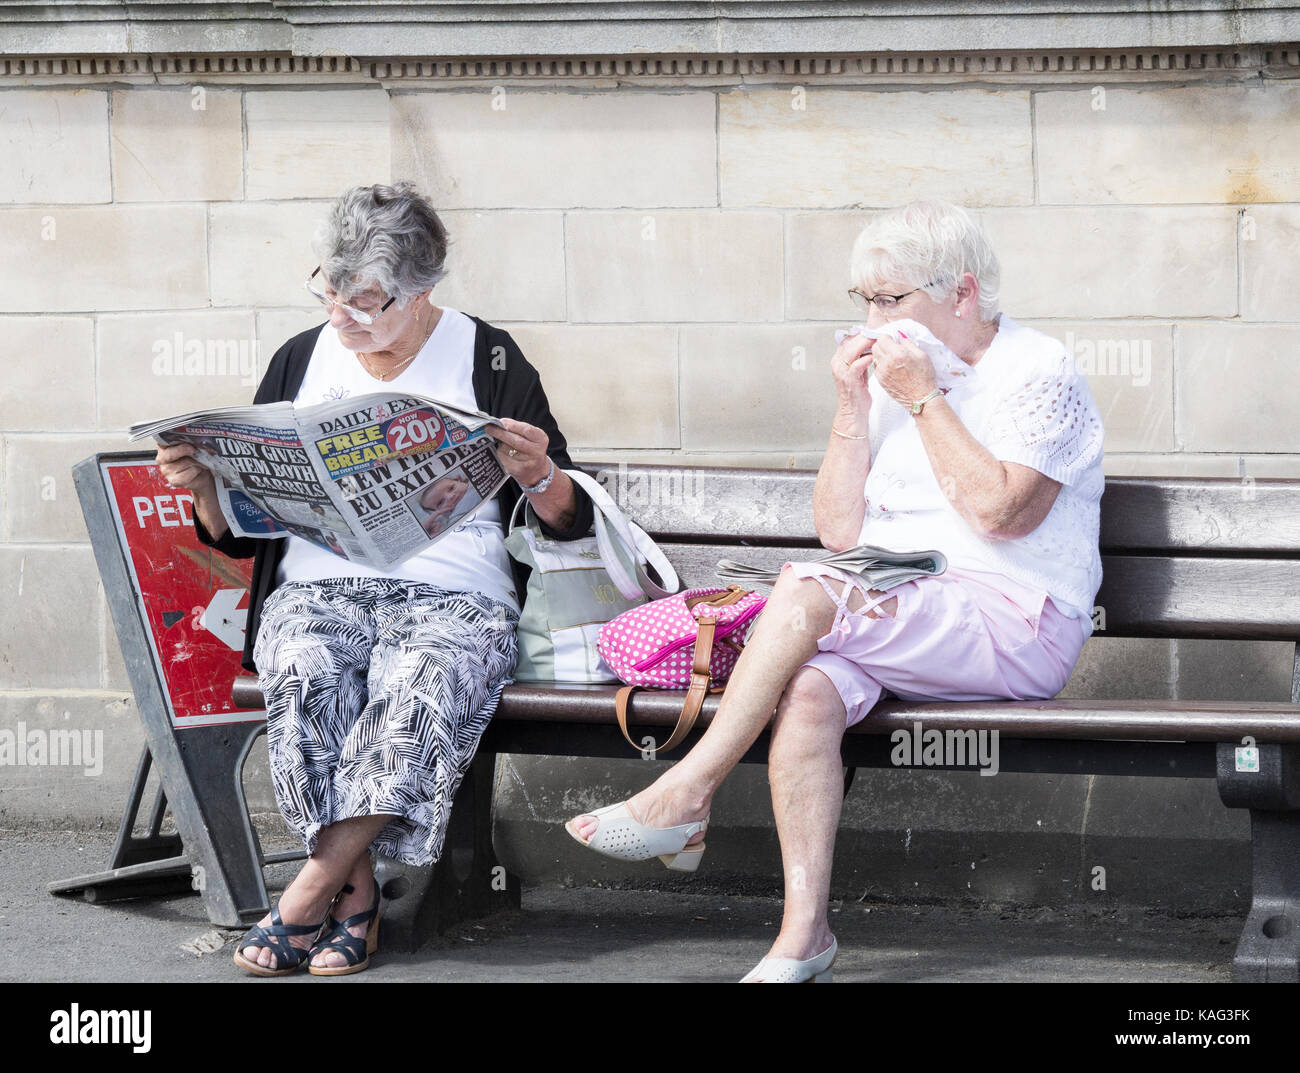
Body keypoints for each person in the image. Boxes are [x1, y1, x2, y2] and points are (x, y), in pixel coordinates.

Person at [565, 200, 1105, 982]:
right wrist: (854, 406)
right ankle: (802, 937)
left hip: (1016, 620)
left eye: (892, 299)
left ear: (960, 292)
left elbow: (999, 511)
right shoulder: (892, 379)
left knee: (809, 587)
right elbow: (841, 532)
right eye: (865, 301)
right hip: (902, 609)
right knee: (812, 691)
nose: (876, 318)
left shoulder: (1039, 371)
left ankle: (687, 788)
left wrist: (924, 399)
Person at [156, 182, 593, 976]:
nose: (341, 318)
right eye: (330, 291)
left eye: (365, 301)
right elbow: (237, 535)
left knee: (419, 679)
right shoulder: (300, 357)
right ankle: (357, 904)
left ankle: (308, 893)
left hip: (456, 594)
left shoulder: (487, 356)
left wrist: (538, 473)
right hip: (318, 587)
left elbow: (567, 519)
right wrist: (203, 485)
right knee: (303, 666)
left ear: (422, 292)